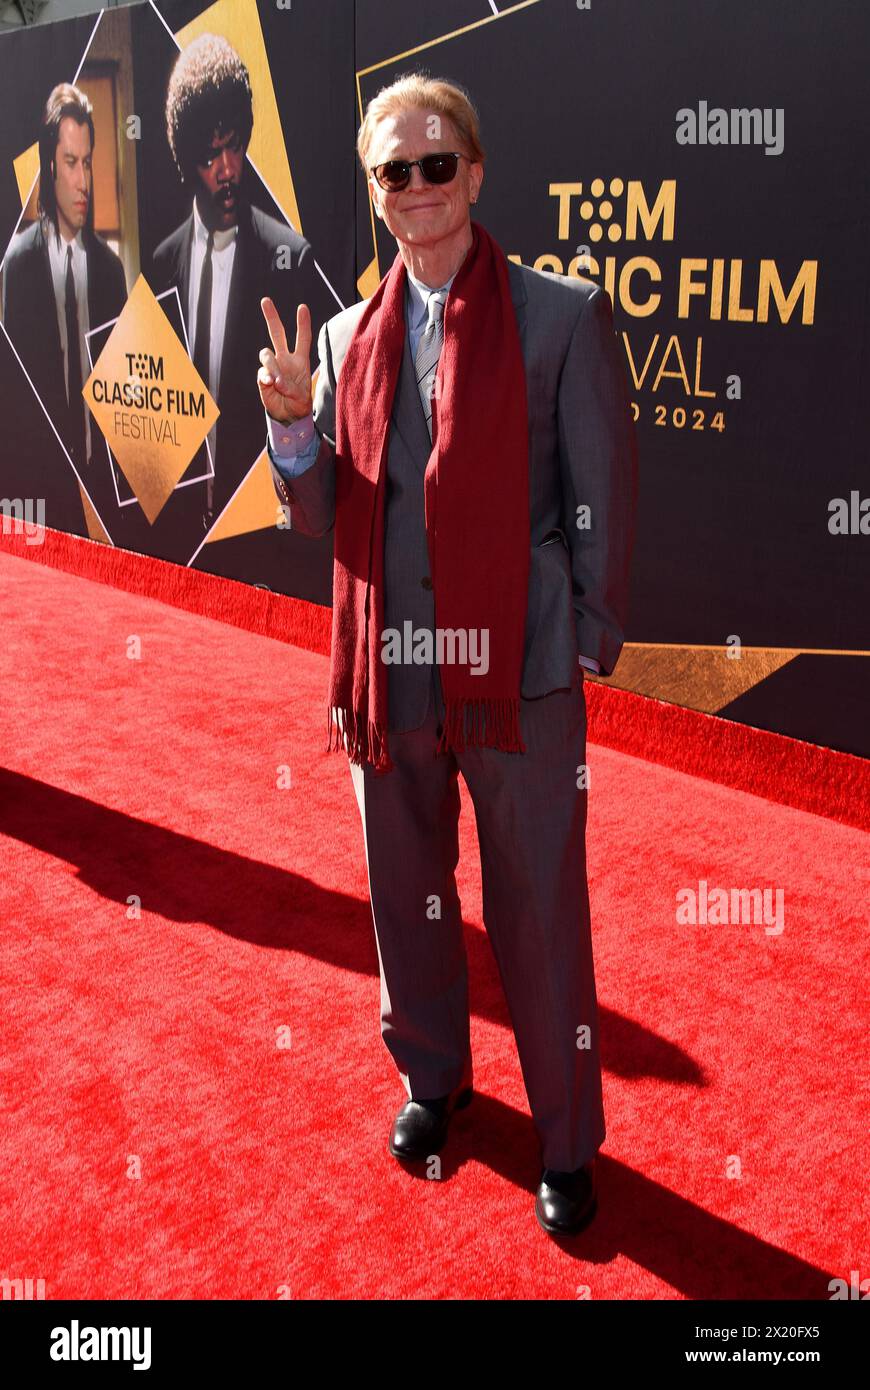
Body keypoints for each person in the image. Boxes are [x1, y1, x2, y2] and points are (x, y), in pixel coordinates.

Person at [257, 73, 638, 1237]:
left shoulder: (560, 315)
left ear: (472, 173)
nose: (415, 189)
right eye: (392, 172)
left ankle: (566, 1141)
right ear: (376, 194)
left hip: (516, 679)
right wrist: (290, 424)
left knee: (539, 914)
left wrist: (575, 634)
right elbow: (321, 513)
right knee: (406, 897)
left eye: (434, 165)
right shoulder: (342, 336)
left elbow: (602, 497)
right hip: (391, 671)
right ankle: (433, 1080)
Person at [153, 33, 317, 531]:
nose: (227, 170)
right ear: (184, 159)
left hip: (261, 536)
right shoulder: (161, 264)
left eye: (235, 146)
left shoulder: (289, 258)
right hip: (176, 534)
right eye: (209, 155)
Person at [2, 83, 127, 534]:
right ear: (50, 164)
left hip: (103, 494)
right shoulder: (18, 264)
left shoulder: (111, 271)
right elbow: (14, 400)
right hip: (37, 496)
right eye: (72, 163)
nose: (83, 181)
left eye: (88, 162)